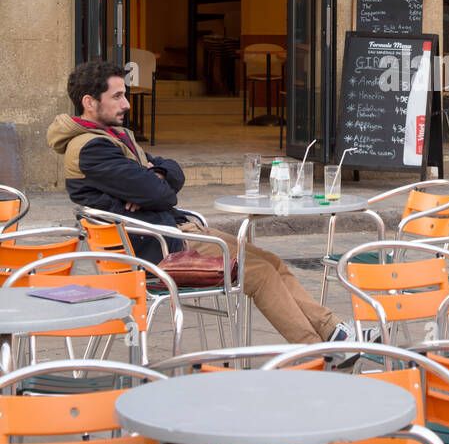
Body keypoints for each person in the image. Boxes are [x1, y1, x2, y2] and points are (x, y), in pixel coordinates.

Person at [47, 60, 353, 345]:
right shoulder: (91, 148)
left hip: (176, 230)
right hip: (158, 251)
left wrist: (155, 177)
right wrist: (153, 185)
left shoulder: (114, 136)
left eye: (124, 95)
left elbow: (172, 172)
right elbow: (164, 194)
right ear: (89, 102)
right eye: (117, 97)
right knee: (259, 273)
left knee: (271, 260)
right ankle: (316, 349)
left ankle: (332, 330)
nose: (126, 104)